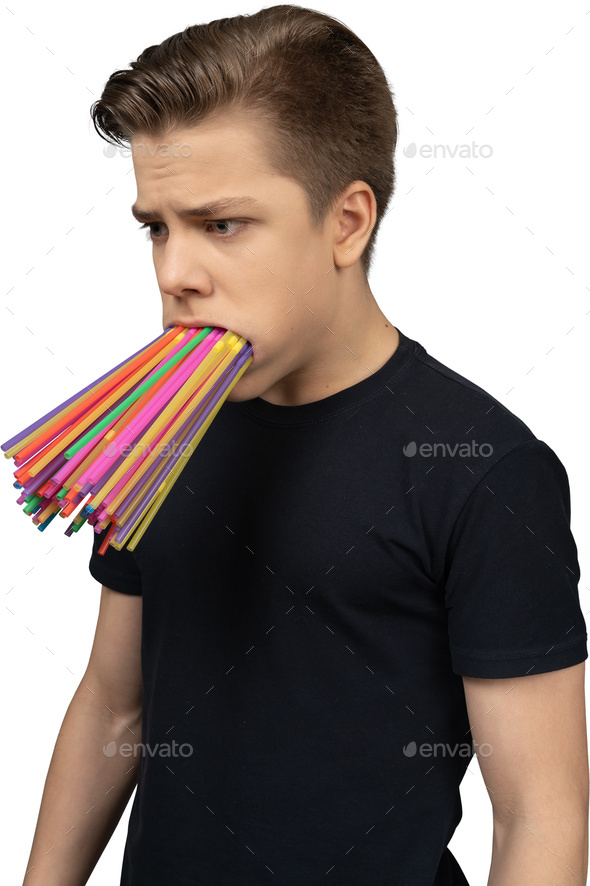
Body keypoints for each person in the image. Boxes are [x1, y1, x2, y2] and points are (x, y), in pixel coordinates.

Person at [22, 5, 588, 885]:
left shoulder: (484, 470)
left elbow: (539, 814)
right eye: (156, 226)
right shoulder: (152, 427)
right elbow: (115, 702)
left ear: (348, 223)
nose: (175, 272)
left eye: (222, 224)